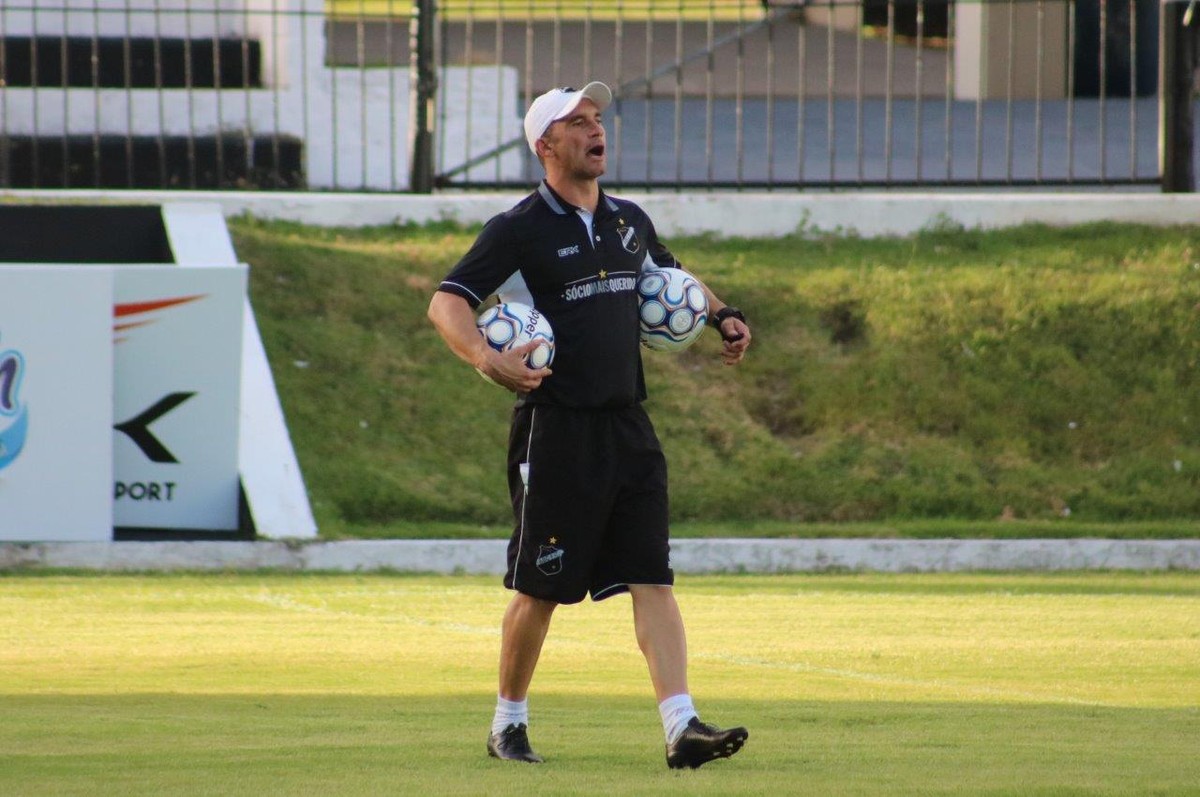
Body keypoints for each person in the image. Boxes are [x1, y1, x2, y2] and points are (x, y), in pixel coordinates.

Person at [426, 81, 752, 769]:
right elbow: (447, 302)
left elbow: (673, 277)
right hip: (556, 430)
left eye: (598, 119)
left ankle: (680, 725)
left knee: (653, 577)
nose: (594, 130)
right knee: (540, 589)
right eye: (577, 122)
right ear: (545, 145)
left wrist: (723, 314)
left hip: (628, 427)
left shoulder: (629, 219)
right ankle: (507, 722)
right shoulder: (518, 228)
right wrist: (487, 359)